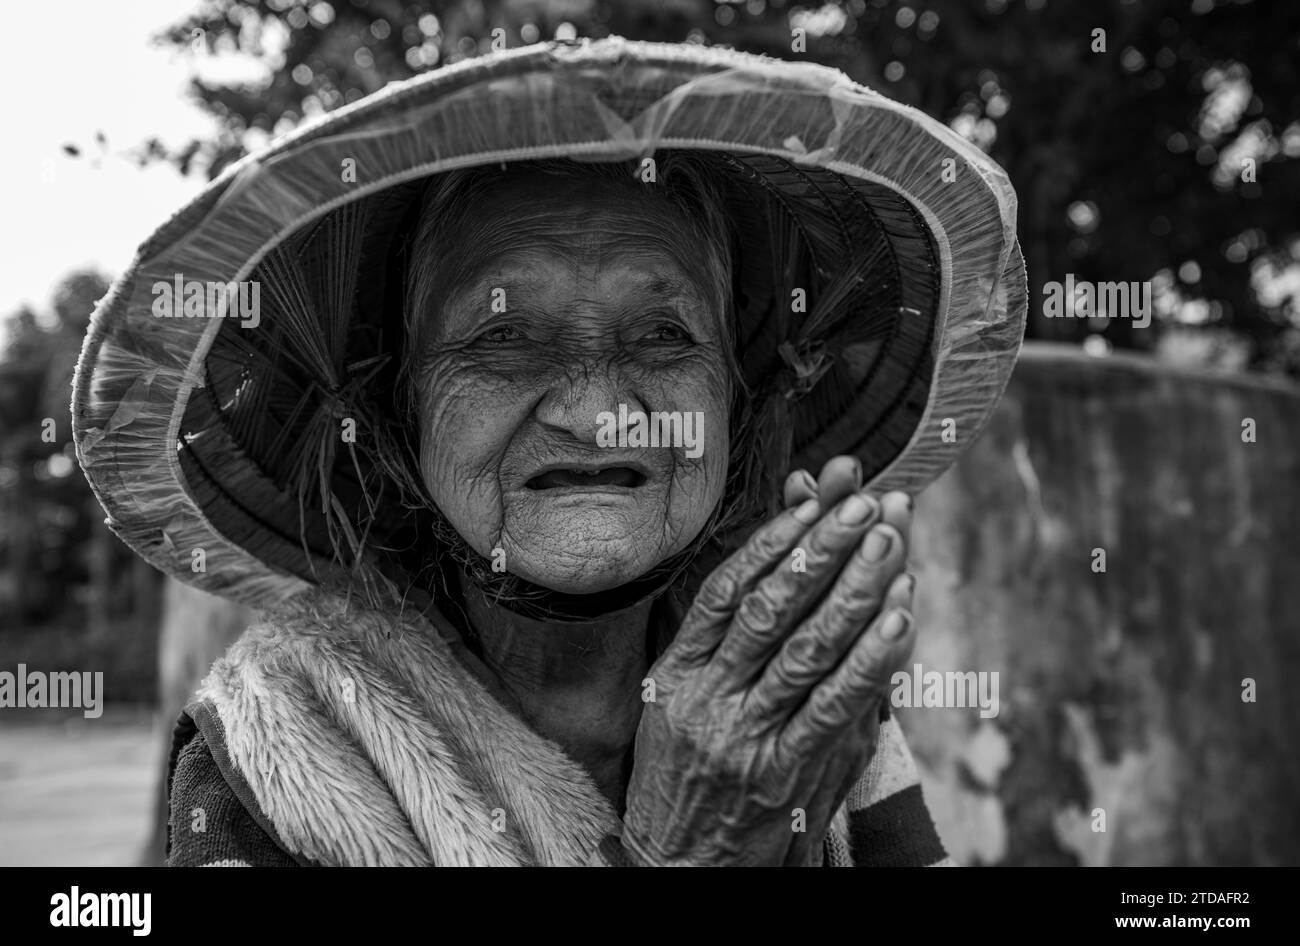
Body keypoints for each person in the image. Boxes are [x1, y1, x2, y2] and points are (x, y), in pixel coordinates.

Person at [73, 38, 1026, 866]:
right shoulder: (280, 742)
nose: (599, 410)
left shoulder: (793, 695)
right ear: (397, 411)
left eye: (662, 336)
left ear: (738, 397)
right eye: (501, 338)